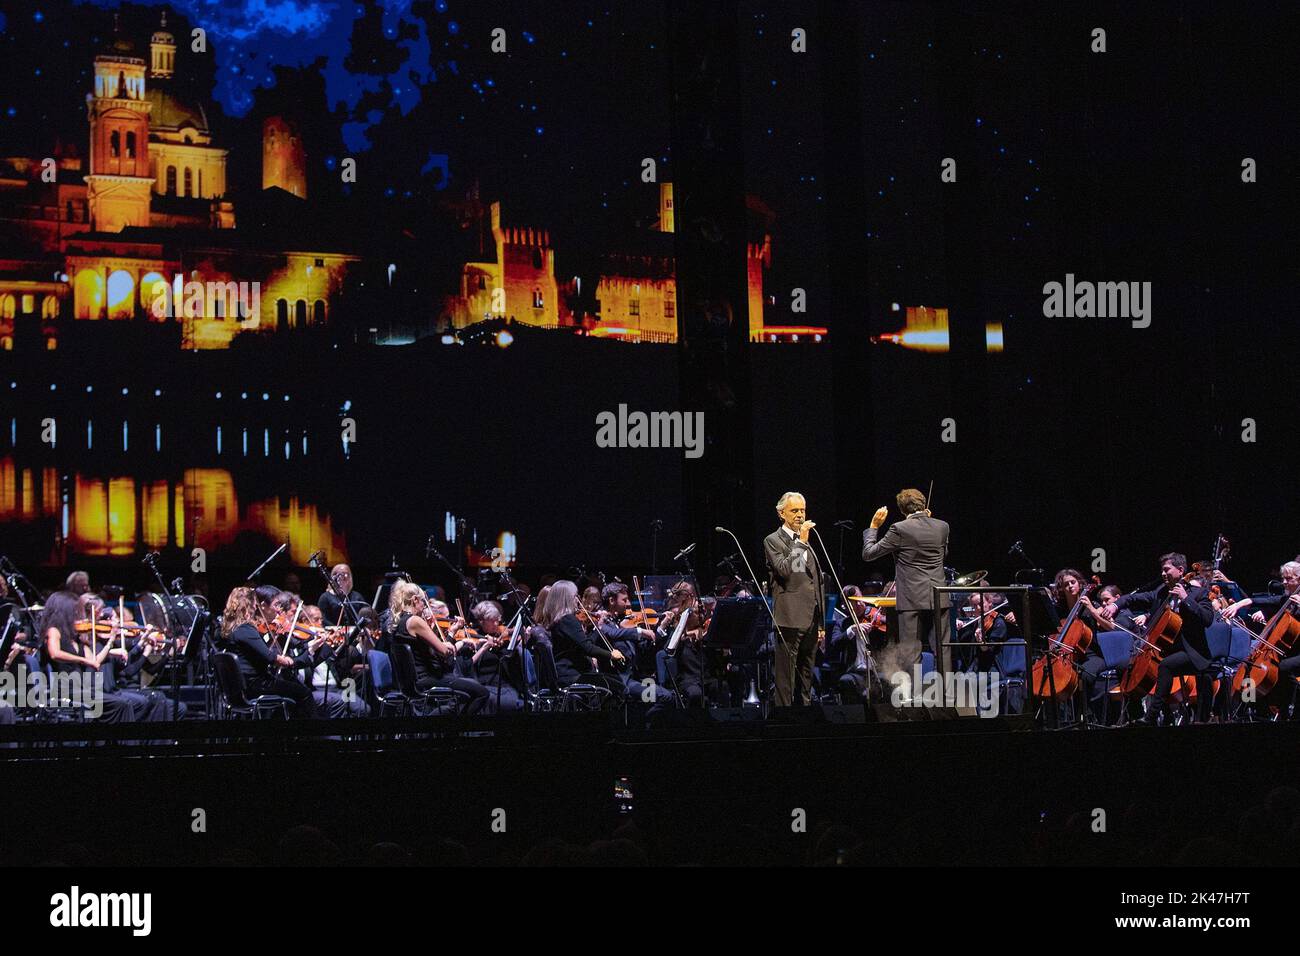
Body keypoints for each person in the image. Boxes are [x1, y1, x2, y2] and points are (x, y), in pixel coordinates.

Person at [1099, 552, 1216, 725]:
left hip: (1191, 651)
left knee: (1166, 666)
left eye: (1166, 569)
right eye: (1162, 570)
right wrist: (1116, 604)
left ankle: (1151, 717)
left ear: (1180, 570)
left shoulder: (1198, 593)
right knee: (1125, 666)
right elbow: (1133, 598)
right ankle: (1137, 714)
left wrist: (1185, 599)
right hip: (1165, 649)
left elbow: (1207, 619)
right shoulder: (1161, 592)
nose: (1162, 573)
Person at [861, 488, 951, 694]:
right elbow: (943, 554)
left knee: (911, 651)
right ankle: (947, 697)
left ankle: (914, 698)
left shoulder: (900, 528)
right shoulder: (942, 526)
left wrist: (873, 527)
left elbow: (869, 554)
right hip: (939, 595)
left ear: (902, 509)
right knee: (943, 648)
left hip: (911, 597)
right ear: (924, 505)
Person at [387, 581, 488, 715]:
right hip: (427, 680)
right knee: (481, 693)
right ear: (415, 600)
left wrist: (450, 638)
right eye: (424, 601)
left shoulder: (399, 622)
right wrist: (449, 640)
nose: (424, 607)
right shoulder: (415, 621)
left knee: (465, 690)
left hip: (414, 682)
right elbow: (445, 652)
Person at [763, 492, 826, 707]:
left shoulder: (807, 540)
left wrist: (821, 622)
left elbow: (815, 582)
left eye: (802, 510)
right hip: (789, 618)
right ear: (782, 513)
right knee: (785, 678)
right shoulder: (773, 540)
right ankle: (785, 722)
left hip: (811, 617)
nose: (800, 515)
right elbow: (786, 571)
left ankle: (805, 718)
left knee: (806, 675)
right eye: (794, 511)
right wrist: (800, 543)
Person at [219, 587, 321, 718]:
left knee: (292, 690)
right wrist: (286, 659)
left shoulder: (231, 630)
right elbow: (270, 657)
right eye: (254, 603)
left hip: (240, 688)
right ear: (248, 605)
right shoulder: (245, 629)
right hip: (256, 685)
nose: (256, 607)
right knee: (304, 692)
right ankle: (313, 734)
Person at [544, 580, 624, 690]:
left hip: (566, 674)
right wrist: (611, 655)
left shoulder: (559, 620)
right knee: (620, 687)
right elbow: (588, 648)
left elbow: (584, 643)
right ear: (567, 598)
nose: (578, 600)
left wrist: (597, 627)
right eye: (575, 596)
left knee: (615, 681)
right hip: (572, 675)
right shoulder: (568, 619)